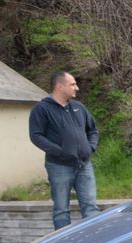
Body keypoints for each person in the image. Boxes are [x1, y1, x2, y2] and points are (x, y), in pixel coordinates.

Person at [29, 71, 100, 230]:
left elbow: (93, 130)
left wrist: (90, 147)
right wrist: (60, 152)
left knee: (91, 208)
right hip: (59, 167)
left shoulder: (79, 107)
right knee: (61, 211)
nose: (77, 88)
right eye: (73, 84)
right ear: (60, 86)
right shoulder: (42, 109)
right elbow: (36, 136)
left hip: (84, 165)